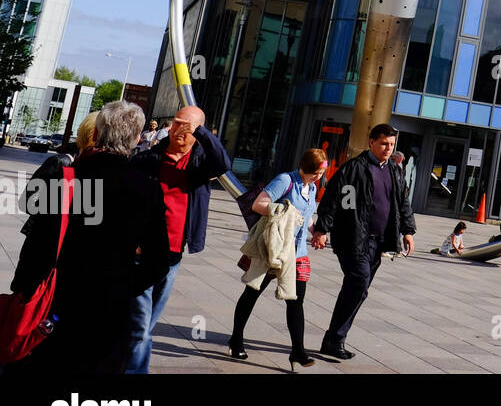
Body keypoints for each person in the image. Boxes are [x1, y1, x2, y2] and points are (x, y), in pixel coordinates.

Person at [7, 101, 170, 374]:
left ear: (96, 134)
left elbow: (36, 245)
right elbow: (159, 262)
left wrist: (23, 291)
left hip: (54, 304)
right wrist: (126, 287)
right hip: (108, 309)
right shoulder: (147, 190)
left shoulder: (64, 179)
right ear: (137, 139)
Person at [126, 104, 231, 373]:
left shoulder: (199, 164)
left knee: (147, 323)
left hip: (173, 253)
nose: (179, 130)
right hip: (141, 251)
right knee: (139, 324)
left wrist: (202, 133)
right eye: (176, 123)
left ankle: (124, 361)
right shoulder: (149, 158)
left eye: (187, 125)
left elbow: (223, 163)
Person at [312, 124, 416, 360]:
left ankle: (333, 340)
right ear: (371, 143)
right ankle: (335, 339)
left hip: (380, 242)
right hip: (353, 239)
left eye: (391, 144)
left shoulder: (394, 171)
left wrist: (408, 231)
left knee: (358, 288)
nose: (388, 149)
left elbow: (402, 202)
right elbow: (334, 199)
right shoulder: (354, 169)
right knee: (359, 283)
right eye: (383, 144)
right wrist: (322, 229)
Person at [228, 148, 326, 370]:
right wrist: (285, 211)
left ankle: (298, 352)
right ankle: (236, 340)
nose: (318, 178)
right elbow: (258, 205)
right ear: (306, 167)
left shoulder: (311, 187)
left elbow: (307, 217)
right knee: (252, 292)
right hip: (273, 249)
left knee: (296, 300)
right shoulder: (285, 180)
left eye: (320, 174)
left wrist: (317, 232)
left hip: (297, 253)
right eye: (316, 173)